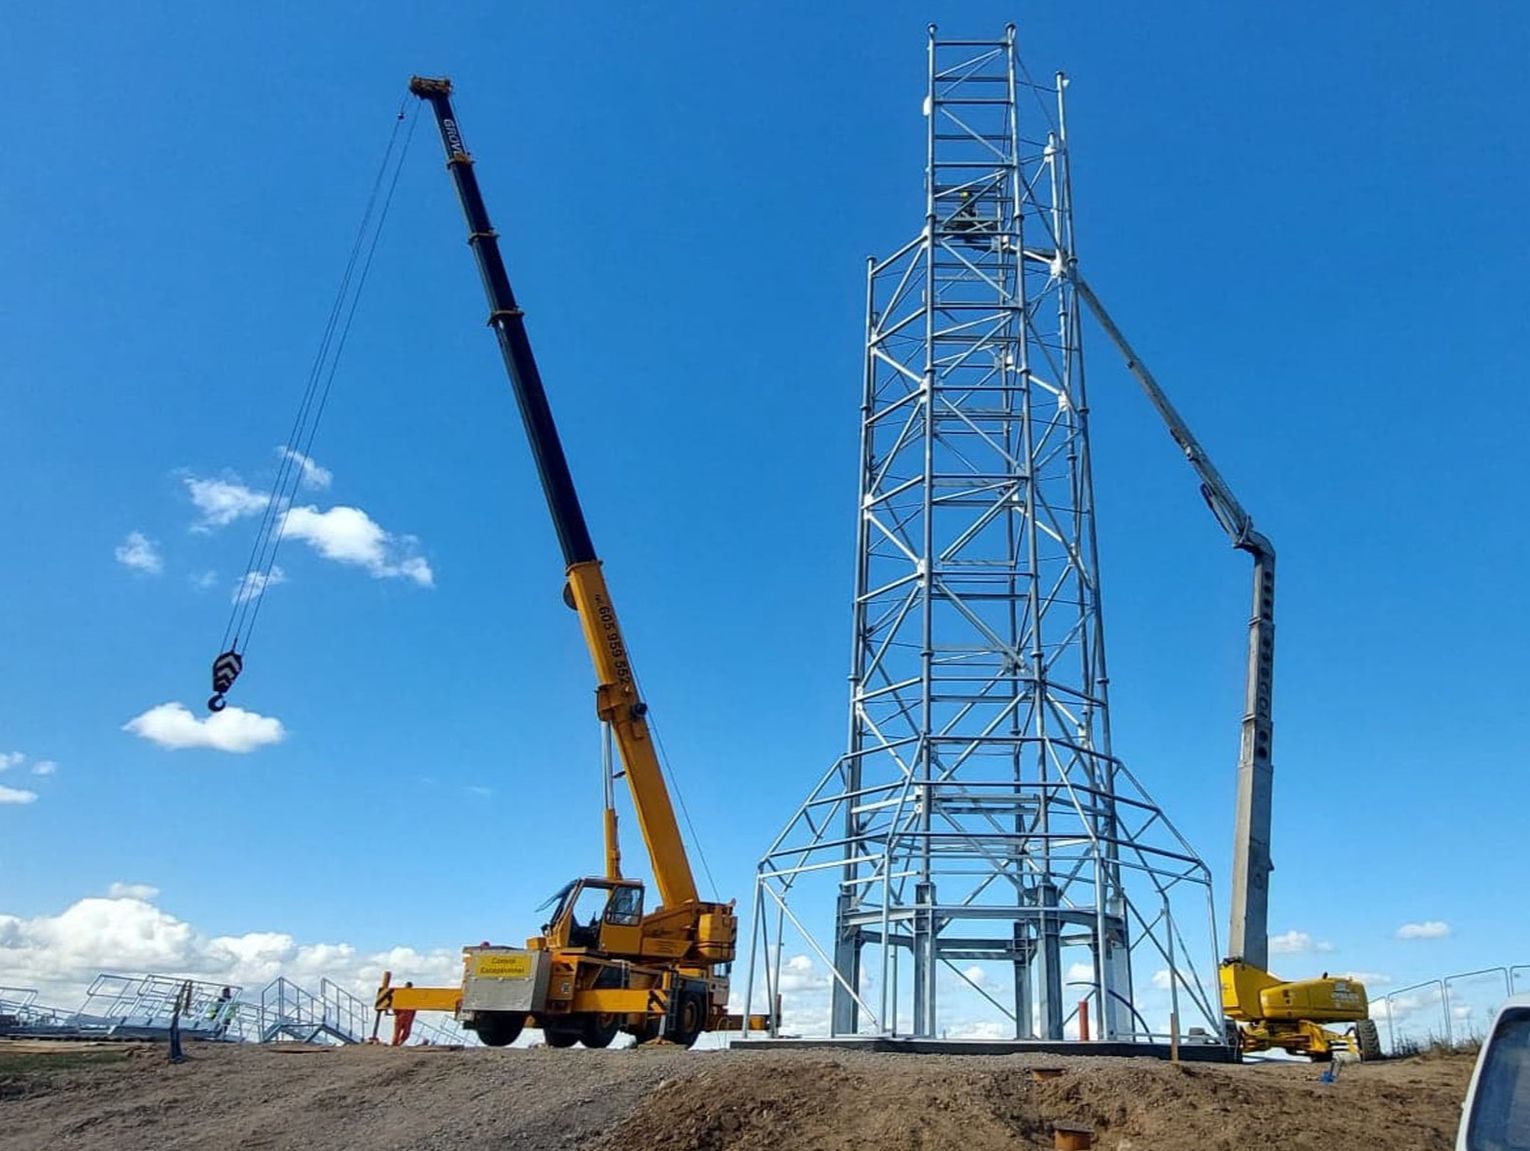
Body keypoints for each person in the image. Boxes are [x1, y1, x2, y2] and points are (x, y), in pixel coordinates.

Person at [391, 982, 416, 1047]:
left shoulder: (413, 996)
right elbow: (395, 1005)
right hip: (400, 1016)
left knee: (406, 1033)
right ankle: (394, 1044)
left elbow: (414, 1008)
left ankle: (399, 1044)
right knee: (397, 1033)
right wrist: (396, 1013)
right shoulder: (401, 994)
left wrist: (412, 1017)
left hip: (408, 1017)